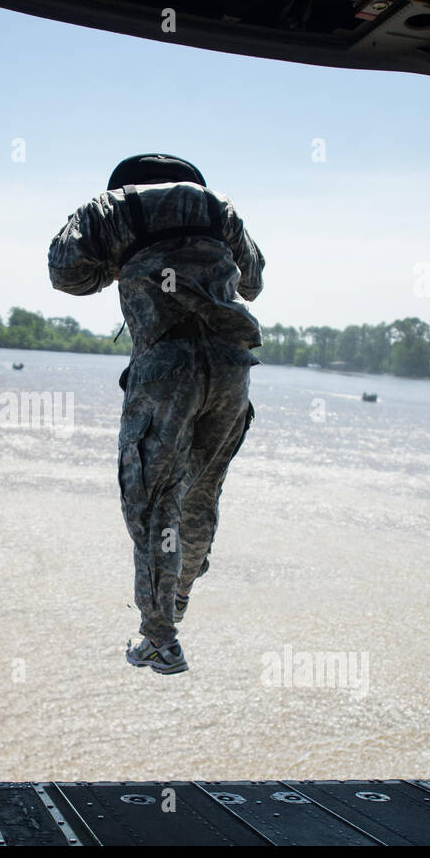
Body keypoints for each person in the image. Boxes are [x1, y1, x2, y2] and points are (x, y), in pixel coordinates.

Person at [48, 154, 266, 674]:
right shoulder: (220, 210)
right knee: (198, 495)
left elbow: (65, 273)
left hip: (166, 370)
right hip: (232, 367)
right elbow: (252, 281)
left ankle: (159, 638)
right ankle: (177, 603)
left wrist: (119, 262)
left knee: (150, 503)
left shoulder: (112, 207)